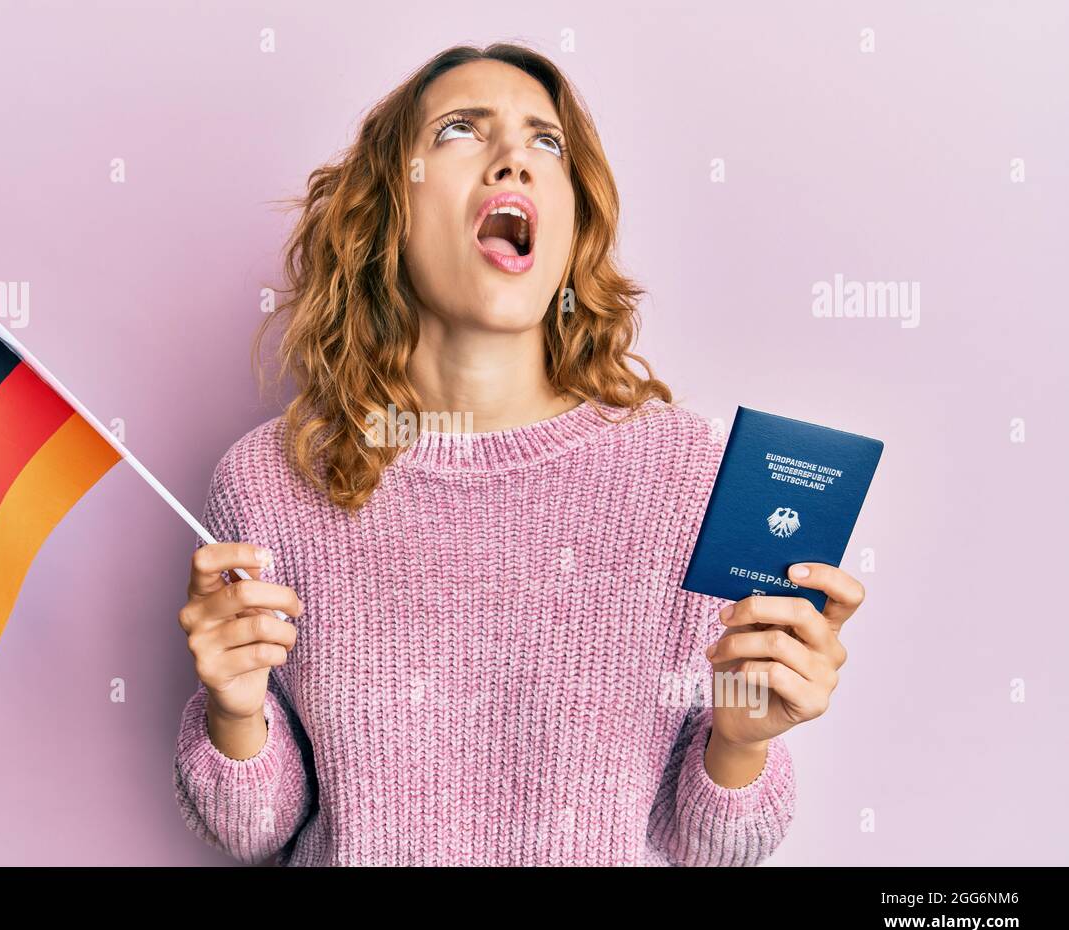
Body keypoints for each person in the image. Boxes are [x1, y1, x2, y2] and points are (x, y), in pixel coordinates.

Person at [173, 42, 861, 866]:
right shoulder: (270, 480)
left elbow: (710, 847)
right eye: (462, 130)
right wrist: (233, 710)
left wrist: (745, 735)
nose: (515, 161)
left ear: (573, 223)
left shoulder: (686, 473)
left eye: (547, 143)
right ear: (388, 207)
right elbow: (258, 833)